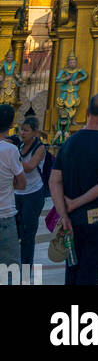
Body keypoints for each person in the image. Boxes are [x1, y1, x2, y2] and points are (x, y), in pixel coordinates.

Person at [49, 93, 98, 286]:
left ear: (87, 111)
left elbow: (54, 181)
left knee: (72, 269)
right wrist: (75, 203)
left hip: (72, 220)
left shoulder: (70, 142)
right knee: (91, 272)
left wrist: (64, 214)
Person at [15, 114, 46, 269]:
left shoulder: (39, 148)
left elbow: (30, 167)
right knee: (14, 233)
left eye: (26, 130)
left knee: (28, 234)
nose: (23, 133)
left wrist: (12, 155)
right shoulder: (18, 145)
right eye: (22, 130)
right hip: (17, 193)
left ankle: (26, 269)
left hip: (33, 194)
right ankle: (13, 266)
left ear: (35, 132)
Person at [0, 103, 26, 275]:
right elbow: (22, 183)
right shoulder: (10, 150)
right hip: (5, 216)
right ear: (11, 124)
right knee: (11, 271)